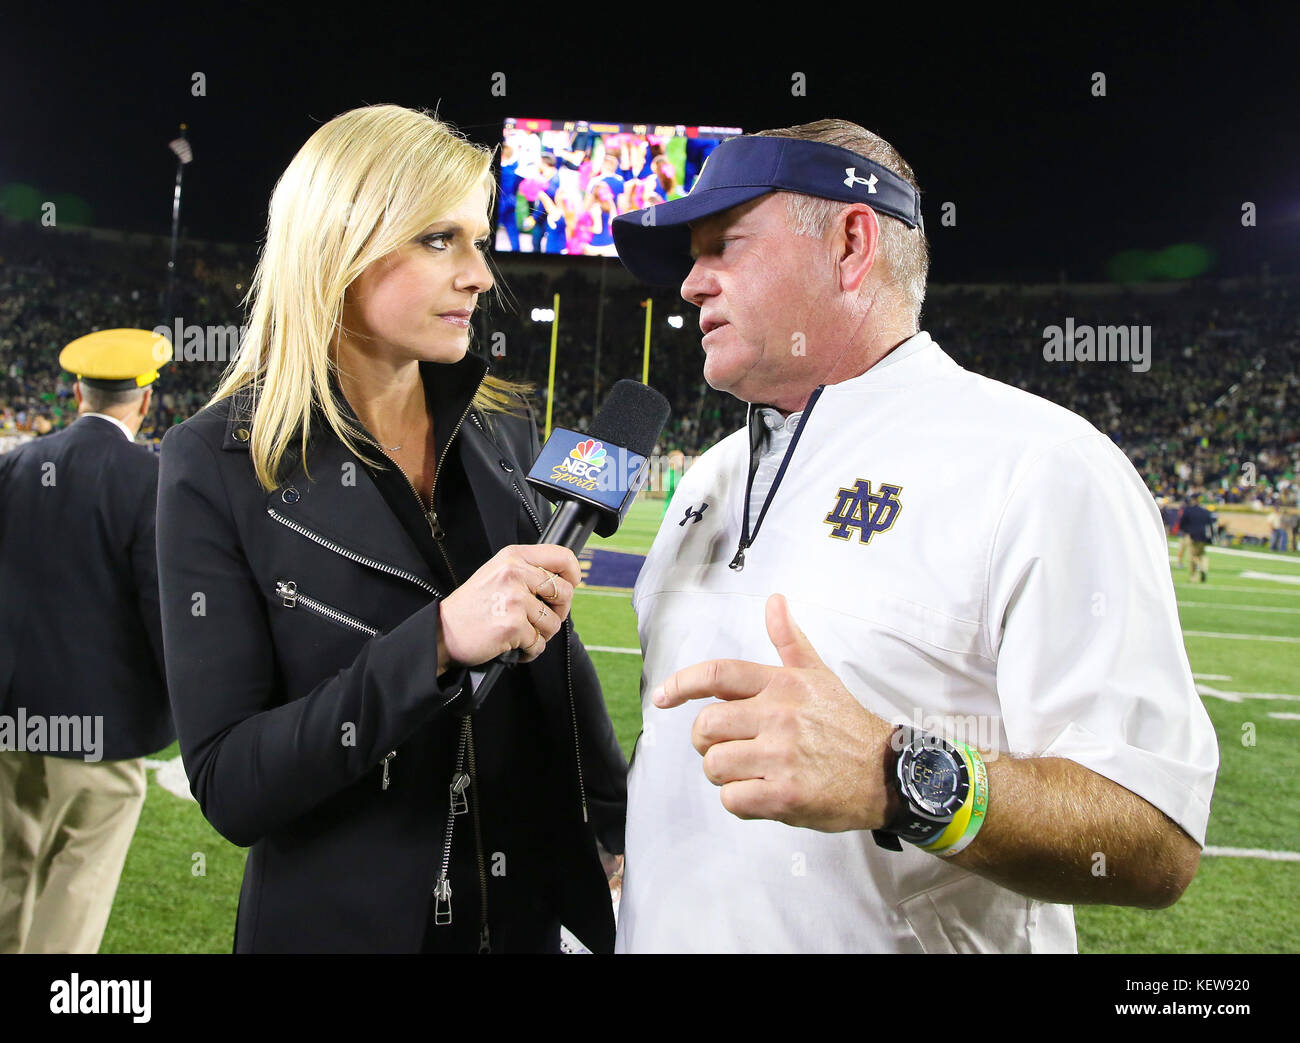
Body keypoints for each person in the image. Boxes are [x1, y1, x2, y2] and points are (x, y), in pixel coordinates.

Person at [610, 120, 1219, 953]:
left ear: (851, 244)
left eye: (725, 245)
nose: (690, 283)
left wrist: (895, 775)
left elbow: (1154, 834)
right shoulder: (710, 478)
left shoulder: (1041, 464)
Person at [154, 104, 626, 954]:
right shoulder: (215, 462)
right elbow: (229, 782)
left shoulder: (505, 431)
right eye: (439, 238)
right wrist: (437, 640)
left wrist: (614, 814)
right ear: (339, 246)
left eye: (479, 239)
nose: (480, 273)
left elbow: (551, 651)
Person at [0, 328, 175, 953]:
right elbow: (162, 609)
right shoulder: (150, 478)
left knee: (8, 870)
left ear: (76, 391)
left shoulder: (16, 464)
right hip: (101, 724)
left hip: (12, 714)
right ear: (145, 401)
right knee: (79, 879)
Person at [1178, 491, 1217, 582]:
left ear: (1193, 500)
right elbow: (1211, 525)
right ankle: (1204, 568)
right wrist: (1212, 537)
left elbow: (1182, 523)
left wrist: (1185, 531)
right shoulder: (1205, 511)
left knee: (1192, 556)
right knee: (1202, 554)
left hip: (1192, 536)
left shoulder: (1188, 510)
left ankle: (1193, 576)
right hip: (1203, 536)